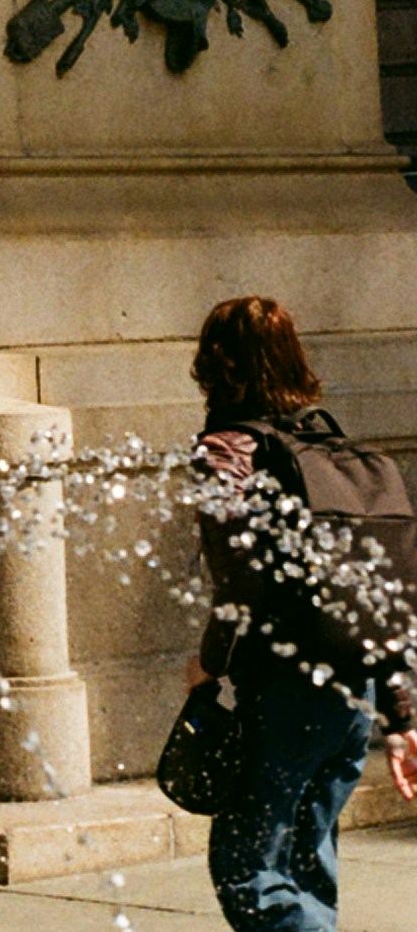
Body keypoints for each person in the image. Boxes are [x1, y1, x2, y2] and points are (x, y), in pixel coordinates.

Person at [187, 294, 417, 930]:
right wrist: (402, 718)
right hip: (352, 692)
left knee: (249, 868)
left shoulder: (229, 451)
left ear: (214, 364)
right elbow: (389, 598)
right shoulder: (338, 452)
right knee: (307, 865)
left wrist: (209, 667)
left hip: (286, 691)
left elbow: (240, 585)